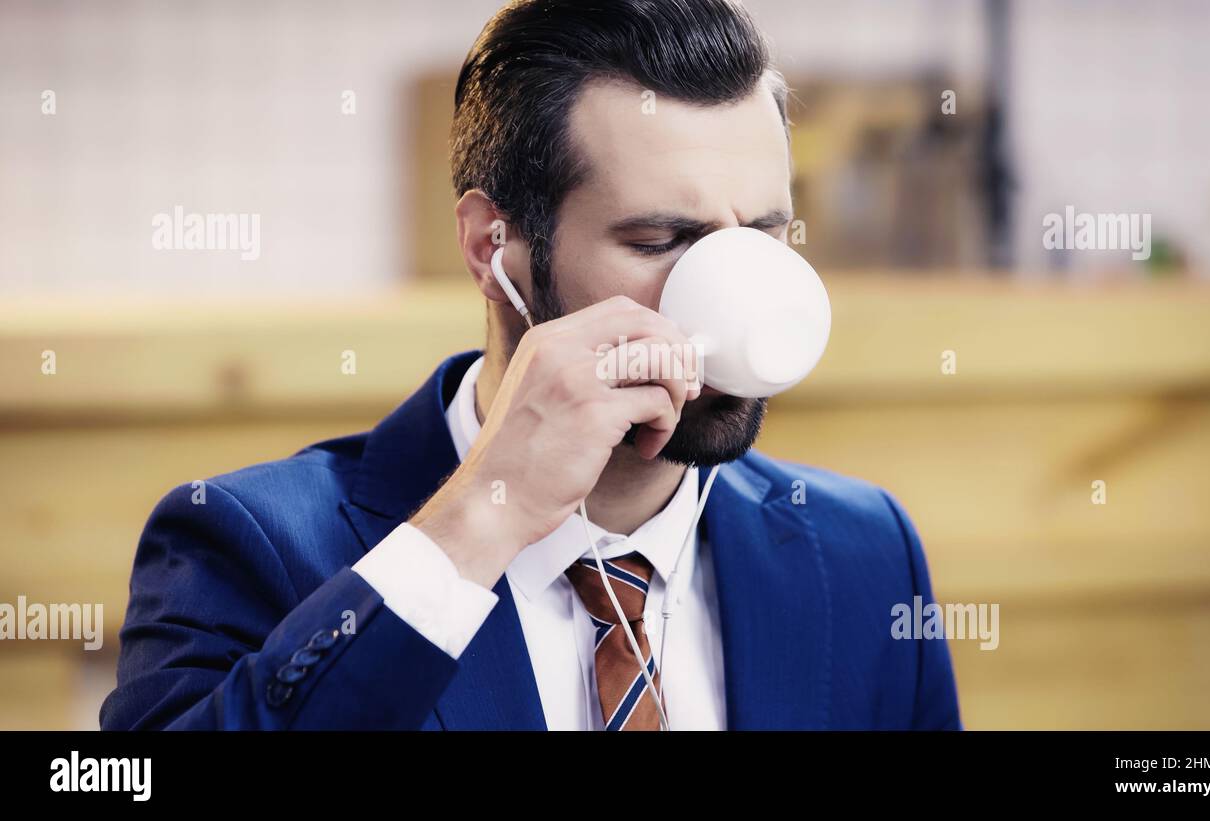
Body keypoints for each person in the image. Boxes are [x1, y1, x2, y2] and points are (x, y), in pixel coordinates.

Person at [100, 0, 960, 731]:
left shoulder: (861, 552)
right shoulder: (248, 542)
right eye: (661, 240)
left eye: (765, 235)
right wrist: (478, 519)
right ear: (493, 248)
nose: (734, 290)